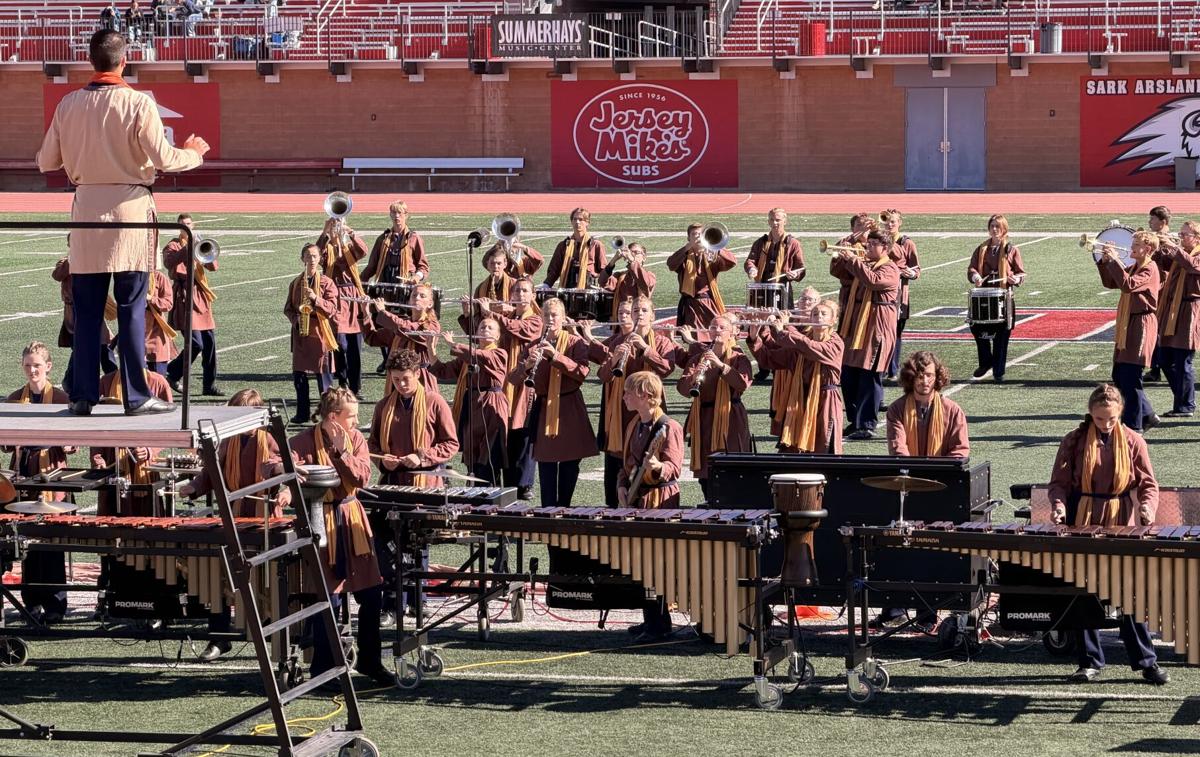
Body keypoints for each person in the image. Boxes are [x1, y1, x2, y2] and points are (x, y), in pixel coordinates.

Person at [36, 28, 208, 416]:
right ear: (124, 61)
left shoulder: (68, 104)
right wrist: (194, 152)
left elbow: (46, 162)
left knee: (87, 309)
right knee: (132, 307)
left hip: (85, 212)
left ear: (90, 61)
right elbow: (165, 159)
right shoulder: (138, 103)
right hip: (130, 209)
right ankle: (135, 394)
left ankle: (82, 395)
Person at [269, 387, 393, 688]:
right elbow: (273, 462)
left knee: (372, 596)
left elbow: (362, 477)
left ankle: (370, 661)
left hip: (351, 522)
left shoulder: (356, 439)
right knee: (329, 599)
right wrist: (287, 474)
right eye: (351, 416)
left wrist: (342, 451)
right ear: (333, 418)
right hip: (320, 523)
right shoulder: (302, 441)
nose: (356, 421)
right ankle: (323, 671)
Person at [1048, 384, 1169, 686]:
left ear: (1120, 414)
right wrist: (1059, 507)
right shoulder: (1073, 441)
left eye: (1112, 419)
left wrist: (1146, 508)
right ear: (1091, 414)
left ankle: (1146, 661)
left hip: (1120, 520)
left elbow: (1148, 484)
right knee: (1084, 590)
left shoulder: (1133, 440)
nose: (1106, 424)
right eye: (1101, 419)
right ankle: (1089, 661)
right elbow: (1058, 484)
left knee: (1128, 592)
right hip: (1083, 518)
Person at [179, 388, 288, 661]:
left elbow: (285, 468)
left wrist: (282, 487)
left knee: (265, 579)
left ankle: (270, 634)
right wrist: (192, 488)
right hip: (233, 517)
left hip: (263, 520)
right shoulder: (227, 441)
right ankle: (219, 637)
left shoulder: (270, 440)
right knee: (219, 575)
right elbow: (210, 473)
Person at [580, 296, 674, 506]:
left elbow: (667, 368)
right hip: (622, 416)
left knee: (647, 467)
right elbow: (603, 376)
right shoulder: (618, 342)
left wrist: (646, 350)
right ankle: (614, 508)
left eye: (643, 310)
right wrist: (614, 360)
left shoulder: (661, 341)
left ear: (652, 315)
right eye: (635, 311)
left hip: (649, 417)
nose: (638, 314)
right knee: (617, 468)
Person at [5, 342, 72, 624]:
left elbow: (72, 441)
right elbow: (6, 444)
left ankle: (56, 604)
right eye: (27, 365)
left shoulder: (60, 397)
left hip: (51, 472)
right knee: (27, 539)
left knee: (52, 538)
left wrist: (67, 445)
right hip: (24, 472)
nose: (32, 370)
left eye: (36, 365)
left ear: (48, 367)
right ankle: (31, 602)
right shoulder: (13, 397)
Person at [617, 370, 685, 642]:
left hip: (660, 501)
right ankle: (650, 619)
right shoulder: (635, 423)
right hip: (637, 499)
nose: (623, 397)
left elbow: (674, 467)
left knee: (656, 562)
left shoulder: (670, 427)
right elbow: (626, 463)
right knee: (640, 562)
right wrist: (622, 485)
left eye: (628, 392)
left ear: (645, 396)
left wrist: (659, 467)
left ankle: (659, 623)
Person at [523, 297, 598, 508]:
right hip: (545, 407)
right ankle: (548, 510)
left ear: (564, 318)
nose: (550, 319)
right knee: (546, 465)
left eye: (554, 315)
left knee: (570, 464)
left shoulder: (576, 343)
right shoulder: (533, 345)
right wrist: (527, 366)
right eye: (546, 315)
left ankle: (564, 507)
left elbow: (582, 372)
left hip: (569, 407)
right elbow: (513, 378)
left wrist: (555, 355)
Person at [753, 299, 845, 454]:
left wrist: (785, 328)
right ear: (810, 319)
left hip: (825, 401)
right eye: (815, 314)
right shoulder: (799, 345)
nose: (819, 317)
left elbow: (811, 347)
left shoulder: (835, 343)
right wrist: (757, 333)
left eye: (824, 314)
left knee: (823, 447)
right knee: (792, 450)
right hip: (798, 400)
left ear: (833, 320)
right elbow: (769, 358)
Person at [834, 229, 900, 441]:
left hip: (875, 328)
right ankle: (854, 420)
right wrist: (842, 252)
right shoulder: (862, 264)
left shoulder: (890, 268)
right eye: (868, 243)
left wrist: (854, 261)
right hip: (855, 326)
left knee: (869, 377)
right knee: (848, 375)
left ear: (885, 248)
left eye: (873, 244)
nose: (868, 247)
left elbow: (873, 280)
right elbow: (838, 273)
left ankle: (867, 424)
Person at [678, 314, 752, 500]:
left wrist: (720, 365)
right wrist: (695, 376)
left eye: (721, 328)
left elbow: (742, 384)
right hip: (704, 417)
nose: (716, 331)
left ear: (732, 332)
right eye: (713, 327)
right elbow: (683, 388)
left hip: (731, 417)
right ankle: (710, 501)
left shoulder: (739, 358)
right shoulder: (698, 358)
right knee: (706, 469)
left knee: (732, 465)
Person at [430, 319, 509, 484]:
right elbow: (444, 372)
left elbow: (481, 356)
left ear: (497, 336)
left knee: (489, 454)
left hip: (491, 404)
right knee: (471, 454)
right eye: (482, 327)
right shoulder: (468, 356)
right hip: (471, 405)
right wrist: (431, 348)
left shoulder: (499, 353)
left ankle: (489, 492)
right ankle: (473, 489)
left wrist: (454, 344)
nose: (485, 329)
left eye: (490, 328)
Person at [1096, 231, 1161, 432]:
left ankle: (1135, 425)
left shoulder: (1149, 268)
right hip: (1128, 323)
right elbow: (1111, 282)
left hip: (1141, 324)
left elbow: (1127, 285)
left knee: (1131, 375)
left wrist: (1115, 259)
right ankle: (1148, 415)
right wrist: (1106, 262)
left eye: (1136, 245)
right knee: (1120, 373)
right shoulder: (1135, 266)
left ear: (1148, 249)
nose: (1131, 248)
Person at [368, 349, 460, 487]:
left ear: (417, 374)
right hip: (392, 481)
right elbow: (372, 444)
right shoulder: (383, 406)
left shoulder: (435, 401)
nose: (401, 385)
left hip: (427, 481)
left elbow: (451, 444)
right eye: (396, 380)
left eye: (406, 379)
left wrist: (422, 457)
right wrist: (382, 461)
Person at [747, 285, 821, 439]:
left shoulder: (818, 330)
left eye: (810, 300)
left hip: (806, 382)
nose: (805, 303)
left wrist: (784, 326)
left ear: (818, 304)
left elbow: (801, 345)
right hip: (784, 375)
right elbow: (775, 348)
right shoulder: (789, 321)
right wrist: (762, 325)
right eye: (802, 299)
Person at [362, 200, 427, 373]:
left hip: (405, 289)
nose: (397, 217)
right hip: (385, 286)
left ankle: (404, 358)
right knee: (382, 321)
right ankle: (387, 359)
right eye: (394, 213)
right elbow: (372, 266)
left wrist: (416, 277)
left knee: (402, 323)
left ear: (407, 215)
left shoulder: (414, 238)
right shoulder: (383, 239)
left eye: (400, 213)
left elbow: (423, 266)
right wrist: (359, 282)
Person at [492, 277, 543, 500]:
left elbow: (519, 329)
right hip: (505, 379)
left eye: (525, 291)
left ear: (532, 296)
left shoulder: (536, 320)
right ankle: (509, 480)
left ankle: (524, 483)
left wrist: (494, 313)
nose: (520, 295)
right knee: (508, 430)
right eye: (517, 291)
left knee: (524, 432)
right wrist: (472, 313)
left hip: (525, 381)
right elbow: (487, 333)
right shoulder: (507, 316)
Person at [164, 213, 220, 396]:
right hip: (184, 297)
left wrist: (202, 249)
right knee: (196, 343)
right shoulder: (172, 245)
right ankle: (172, 373)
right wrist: (188, 247)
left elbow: (213, 267)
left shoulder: (199, 242)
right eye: (182, 225)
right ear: (178, 227)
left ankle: (209, 385)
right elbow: (169, 262)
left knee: (210, 343)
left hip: (201, 296)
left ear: (193, 225)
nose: (186, 227)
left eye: (188, 224)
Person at [317, 215, 371, 400]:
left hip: (352, 298)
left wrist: (351, 233)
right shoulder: (327, 251)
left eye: (337, 228)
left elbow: (363, 250)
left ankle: (356, 386)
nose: (336, 232)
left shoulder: (349, 249)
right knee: (339, 343)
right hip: (335, 298)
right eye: (334, 228)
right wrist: (325, 232)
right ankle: (341, 381)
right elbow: (316, 253)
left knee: (355, 346)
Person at [967, 214, 1026, 382]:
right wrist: (976, 276)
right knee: (977, 328)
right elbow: (971, 269)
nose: (994, 229)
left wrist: (1016, 278)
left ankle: (998, 371)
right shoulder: (981, 249)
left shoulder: (1011, 249)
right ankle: (986, 362)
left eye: (997, 227)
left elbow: (1021, 272)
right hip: (984, 296)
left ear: (1004, 229)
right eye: (992, 226)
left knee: (1001, 335)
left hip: (1004, 296)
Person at [285, 243, 338, 425]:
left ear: (320, 259)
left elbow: (332, 309)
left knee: (323, 378)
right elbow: (288, 309)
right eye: (308, 256)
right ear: (302, 259)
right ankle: (302, 413)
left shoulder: (326, 282)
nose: (312, 260)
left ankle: (328, 414)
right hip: (301, 334)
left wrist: (316, 299)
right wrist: (295, 319)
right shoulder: (296, 283)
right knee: (299, 377)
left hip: (320, 334)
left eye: (315, 256)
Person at [53, 254, 118, 395]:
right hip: (73, 312)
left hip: (92, 308)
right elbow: (57, 275)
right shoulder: (65, 262)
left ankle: (115, 381)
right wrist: (72, 260)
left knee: (103, 349)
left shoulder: (92, 259)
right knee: (80, 347)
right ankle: (70, 382)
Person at [1155, 220, 1200, 418]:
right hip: (1172, 308)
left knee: (1183, 361)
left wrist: (1174, 247)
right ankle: (1182, 399)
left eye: (1185, 235)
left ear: (1197, 238)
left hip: (1190, 309)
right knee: (1164, 358)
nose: (1181, 238)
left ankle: (1186, 405)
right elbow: (1163, 266)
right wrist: (1158, 248)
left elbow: (1192, 267)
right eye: (1180, 234)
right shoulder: (1180, 251)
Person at [368, 283, 441, 394]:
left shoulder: (433, 325)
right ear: (409, 302)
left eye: (422, 296)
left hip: (421, 378)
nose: (417, 298)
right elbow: (372, 338)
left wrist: (383, 312)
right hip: (398, 380)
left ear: (430, 303)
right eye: (414, 295)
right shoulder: (400, 325)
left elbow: (408, 329)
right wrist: (364, 313)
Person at [666, 222, 734, 331]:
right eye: (694, 234)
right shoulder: (685, 256)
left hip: (709, 301)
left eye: (701, 234)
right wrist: (687, 247)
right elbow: (671, 264)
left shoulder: (712, 255)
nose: (698, 236)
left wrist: (715, 247)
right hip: (690, 304)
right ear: (688, 238)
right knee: (695, 339)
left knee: (715, 331)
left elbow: (732, 262)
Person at [882, 209, 920, 380]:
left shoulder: (906, 243)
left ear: (899, 223)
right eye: (887, 222)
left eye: (893, 222)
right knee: (882, 332)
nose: (889, 225)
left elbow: (916, 270)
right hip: (881, 294)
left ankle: (892, 368)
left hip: (899, 294)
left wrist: (905, 272)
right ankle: (882, 366)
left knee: (896, 332)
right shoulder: (879, 241)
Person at [745, 207, 806, 306]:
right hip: (762, 286)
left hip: (782, 287)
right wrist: (751, 269)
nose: (774, 223)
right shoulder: (760, 242)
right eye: (772, 220)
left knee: (782, 317)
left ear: (785, 221)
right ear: (768, 222)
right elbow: (750, 261)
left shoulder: (793, 243)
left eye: (778, 220)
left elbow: (801, 268)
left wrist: (795, 274)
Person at [1144, 206, 1175, 383]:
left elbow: (1169, 265)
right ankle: (1155, 367)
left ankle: (1158, 368)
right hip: (1158, 288)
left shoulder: (1167, 239)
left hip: (1162, 288)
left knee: (1157, 330)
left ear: (1163, 222)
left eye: (1153, 219)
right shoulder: (1156, 237)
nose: (1150, 222)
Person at [542, 207, 606, 290]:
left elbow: (603, 270)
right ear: (571, 222)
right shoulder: (563, 245)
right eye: (575, 219)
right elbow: (554, 270)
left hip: (589, 290)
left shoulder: (596, 245)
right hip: (567, 288)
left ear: (587, 223)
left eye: (581, 219)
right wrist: (546, 285)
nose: (577, 222)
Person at [599, 242, 655, 321]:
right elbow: (602, 282)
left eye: (636, 252)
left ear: (644, 258)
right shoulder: (620, 276)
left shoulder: (650, 275)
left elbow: (645, 282)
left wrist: (632, 261)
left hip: (640, 319)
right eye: (631, 252)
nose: (632, 255)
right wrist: (613, 260)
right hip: (623, 319)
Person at [144, 263, 177, 375]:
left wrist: (151, 299)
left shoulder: (159, 277)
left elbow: (168, 304)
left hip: (156, 333)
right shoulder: (131, 278)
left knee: (158, 375)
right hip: (138, 331)